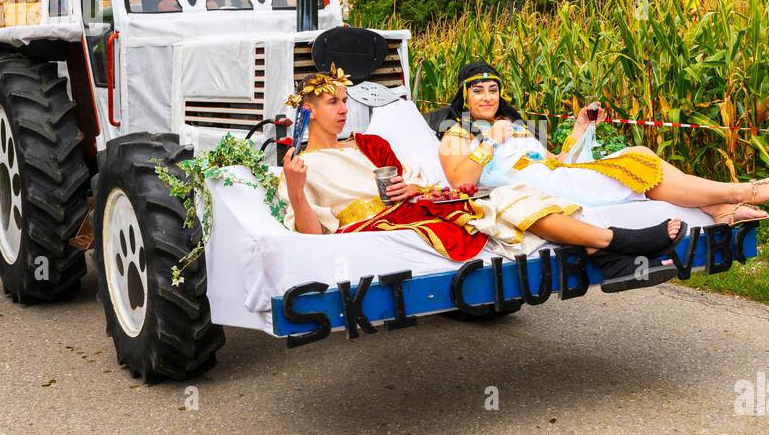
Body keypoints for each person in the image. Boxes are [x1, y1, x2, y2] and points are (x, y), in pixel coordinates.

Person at [278, 67, 688, 292]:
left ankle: (611, 257)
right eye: (334, 102)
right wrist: (296, 190)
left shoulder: (367, 145)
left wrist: (415, 188)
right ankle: (621, 244)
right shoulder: (300, 166)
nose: (344, 109)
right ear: (309, 110)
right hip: (372, 221)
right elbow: (313, 237)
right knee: (507, 200)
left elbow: (420, 182)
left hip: (415, 204)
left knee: (514, 198)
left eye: (346, 101)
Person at [431, 61, 769, 225]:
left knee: (639, 154)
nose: (487, 97)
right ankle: (737, 192)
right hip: (536, 188)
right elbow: (460, 181)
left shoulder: (516, 125)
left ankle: (719, 210)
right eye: (478, 90)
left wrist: (579, 128)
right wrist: (488, 143)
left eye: (493, 89)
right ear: (465, 95)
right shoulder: (457, 132)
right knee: (638, 165)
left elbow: (557, 159)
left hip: (555, 175)